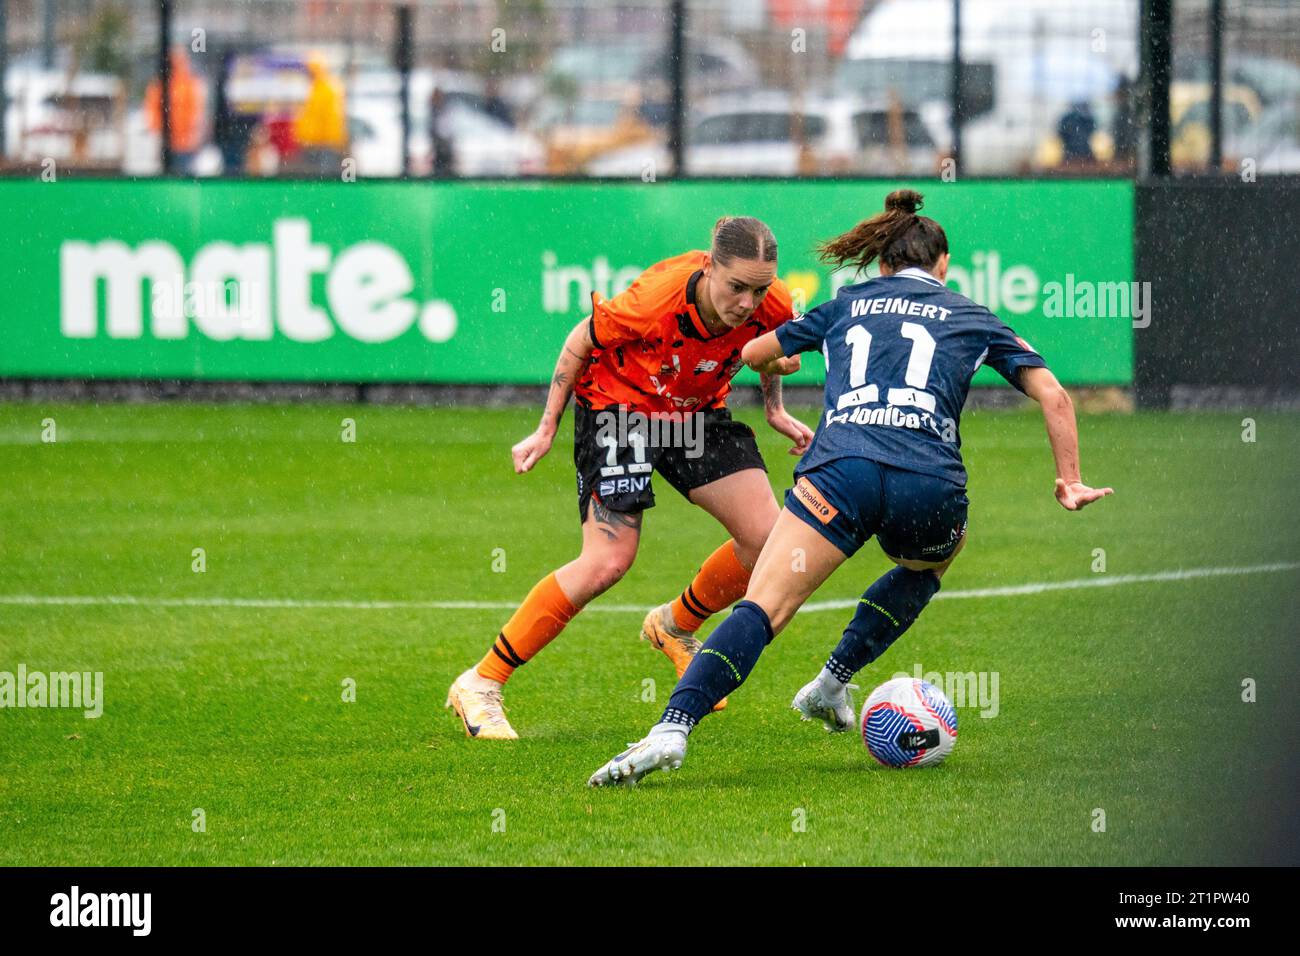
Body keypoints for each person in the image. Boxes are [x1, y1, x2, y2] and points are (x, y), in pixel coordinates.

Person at [588, 189, 1113, 785]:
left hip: (840, 470)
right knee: (929, 564)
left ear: (882, 263)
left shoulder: (848, 302)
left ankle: (672, 729)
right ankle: (832, 683)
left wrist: (782, 369)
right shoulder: (972, 314)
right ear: (943, 266)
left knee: (764, 606)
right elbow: (1054, 396)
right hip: (929, 484)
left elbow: (755, 350)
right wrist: (1068, 480)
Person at [446, 217, 815, 739]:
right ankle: (481, 683)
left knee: (768, 541)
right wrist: (546, 426)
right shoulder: (655, 299)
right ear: (709, 266)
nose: (747, 303)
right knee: (606, 563)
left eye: (758, 290)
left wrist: (774, 409)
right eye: (736, 288)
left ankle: (674, 626)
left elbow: (767, 349)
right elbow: (580, 339)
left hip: (694, 413)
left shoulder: (770, 299)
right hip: (620, 410)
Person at [143, 48, 206, 174]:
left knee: (182, 174)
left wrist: (194, 134)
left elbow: (197, 112)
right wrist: (158, 131)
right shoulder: (161, 85)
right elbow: (152, 110)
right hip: (170, 142)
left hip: (185, 144)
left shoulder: (189, 84)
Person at [293, 55, 348, 173]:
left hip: (323, 144)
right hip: (317, 143)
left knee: (323, 175)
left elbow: (328, 118)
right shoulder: (318, 88)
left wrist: (324, 140)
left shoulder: (325, 89)